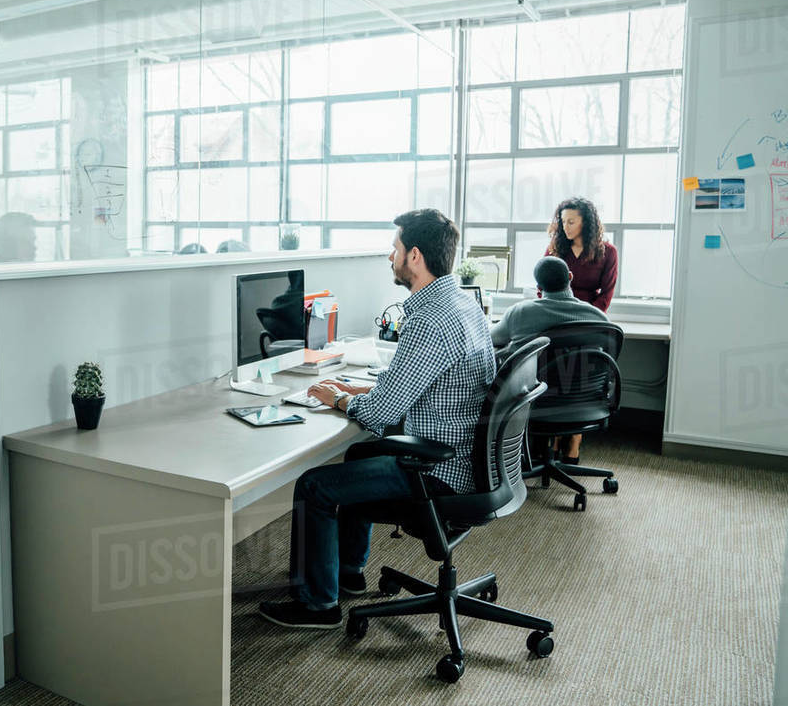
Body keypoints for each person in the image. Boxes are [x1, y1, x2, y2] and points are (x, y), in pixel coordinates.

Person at [258, 209, 496, 630]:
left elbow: (382, 413)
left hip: (437, 470)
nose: (391, 257)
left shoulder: (428, 319)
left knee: (313, 485)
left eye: (396, 249)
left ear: (416, 257)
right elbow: (417, 382)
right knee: (356, 456)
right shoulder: (461, 303)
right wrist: (357, 389)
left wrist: (338, 400)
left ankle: (318, 606)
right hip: (466, 457)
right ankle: (347, 571)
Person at [492, 256, 608, 466]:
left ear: (538, 287)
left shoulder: (520, 313)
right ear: (570, 277)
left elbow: (491, 340)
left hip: (535, 401)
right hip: (584, 401)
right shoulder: (598, 317)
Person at [546, 197, 618, 311]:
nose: (565, 227)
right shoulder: (555, 249)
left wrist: (590, 315)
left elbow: (606, 293)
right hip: (557, 311)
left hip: (590, 314)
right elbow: (542, 286)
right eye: (563, 222)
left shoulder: (609, 252)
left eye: (571, 222)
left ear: (586, 223)